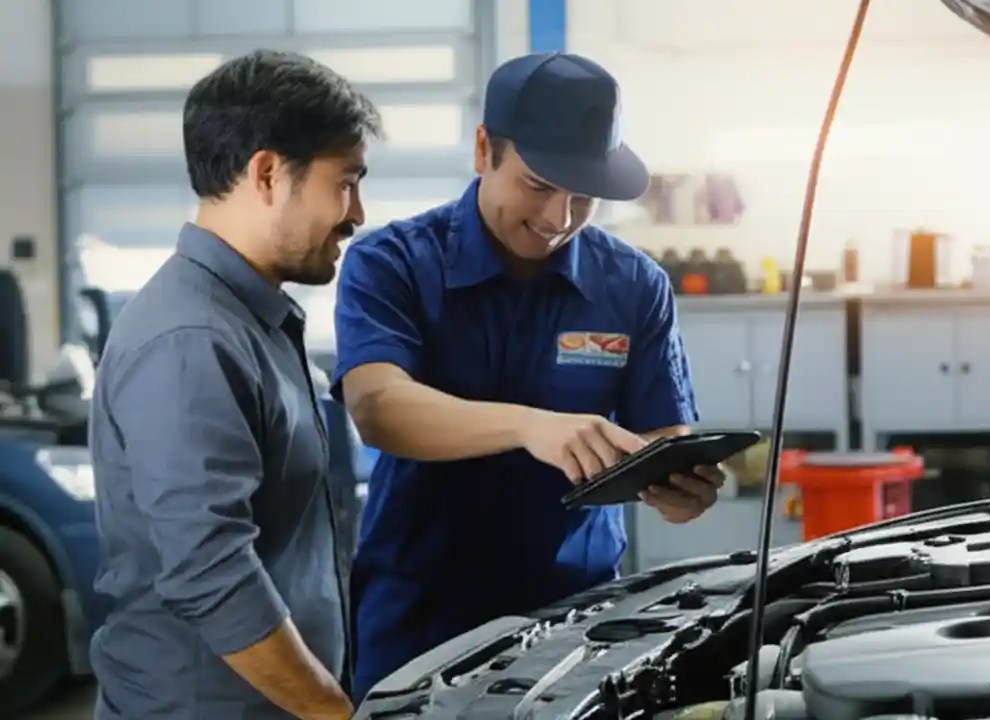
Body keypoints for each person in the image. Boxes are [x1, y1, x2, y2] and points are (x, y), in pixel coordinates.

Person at [331, 51, 725, 699]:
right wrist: (530, 427)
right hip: (419, 618)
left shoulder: (633, 285)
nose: (557, 219)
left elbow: (665, 433)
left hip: (581, 621)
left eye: (583, 196)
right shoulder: (391, 263)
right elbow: (378, 408)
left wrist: (677, 488)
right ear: (484, 149)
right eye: (539, 184)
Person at [88, 49, 381, 719]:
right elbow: (210, 573)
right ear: (270, 173)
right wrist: (333, 713)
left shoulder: (250, 321)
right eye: (347, 181)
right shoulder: (192, 340)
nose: (357, 212)